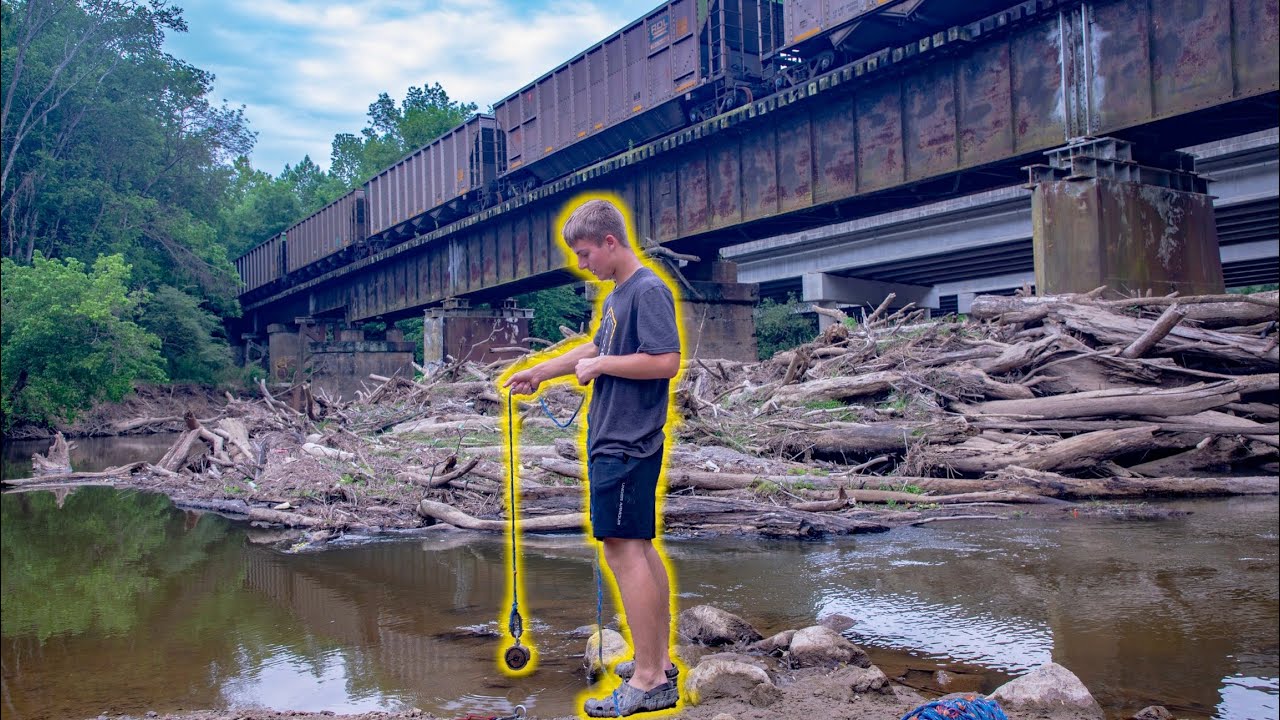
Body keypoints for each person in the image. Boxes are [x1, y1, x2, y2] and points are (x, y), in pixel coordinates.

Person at [504, 198, 682, 717]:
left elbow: (665, 361)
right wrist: (541, 371)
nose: (583, 265)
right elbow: (593, 348)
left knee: (623, 552)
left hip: (626, 443)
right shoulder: (618, 296)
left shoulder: (647, 290)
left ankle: (649, 680)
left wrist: (604, 362)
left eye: (585, 254)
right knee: (640, 549)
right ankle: (658, 661)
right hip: (620, 441)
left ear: (610, 242)